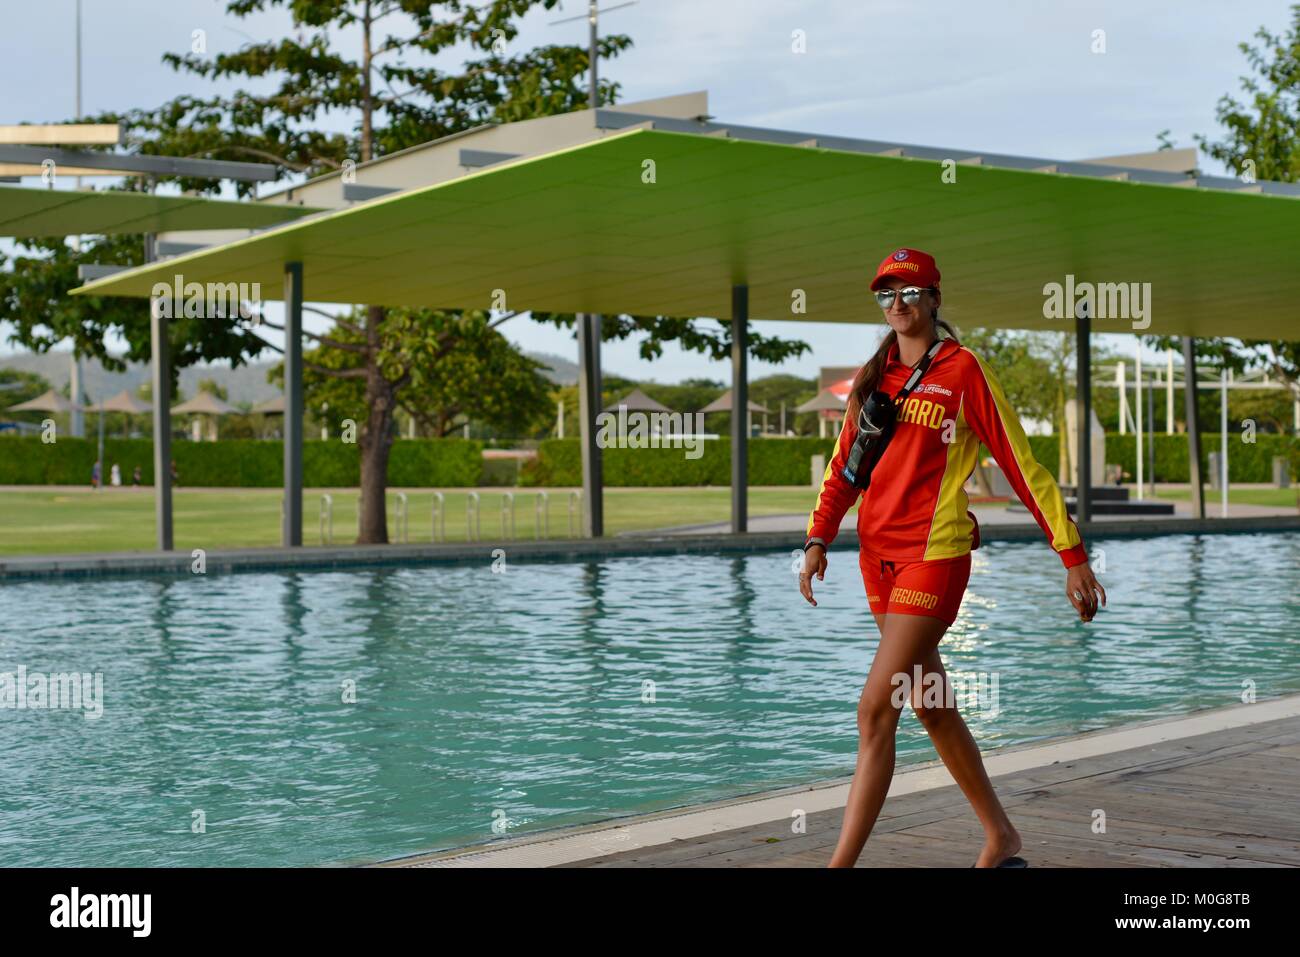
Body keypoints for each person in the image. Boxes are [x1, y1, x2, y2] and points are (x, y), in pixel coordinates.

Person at [799, 247, 1106, 869]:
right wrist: (817, 539)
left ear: (935, 298)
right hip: (875, 557)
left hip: (933, 556)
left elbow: (1021, 464)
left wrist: (1071, 554)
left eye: (910, 292)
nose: (898, 305)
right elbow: (844, 471)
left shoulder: (964, 372)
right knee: (930, 703)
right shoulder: (871, 377)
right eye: (887, 295)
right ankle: (1002, 836)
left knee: (876, 709)